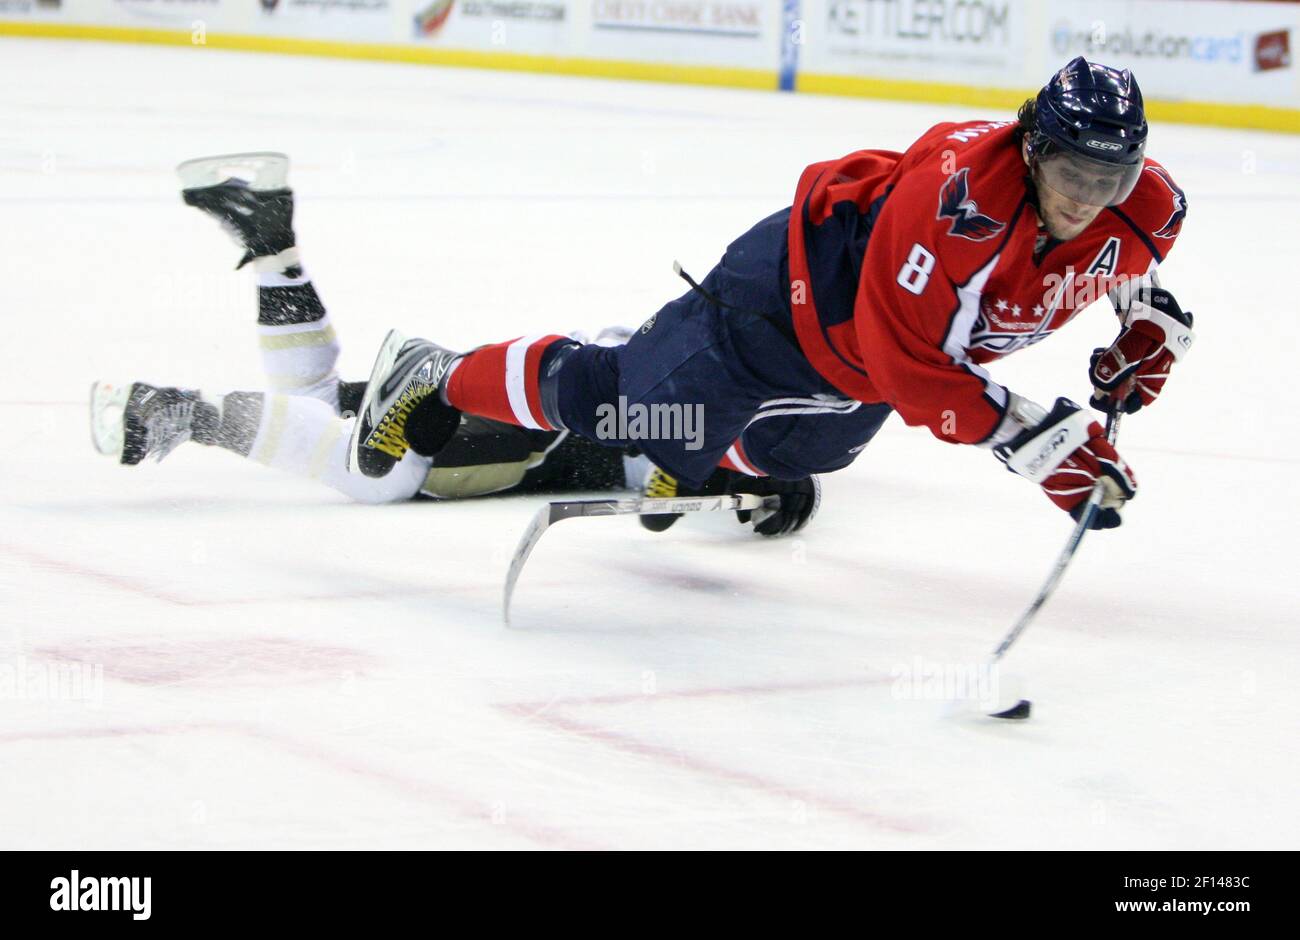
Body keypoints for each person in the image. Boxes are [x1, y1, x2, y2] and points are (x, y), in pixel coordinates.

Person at [298, 59, 1200, 535]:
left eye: (1109, 176)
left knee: (802, 452)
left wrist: (1146, 325)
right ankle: (440, 373)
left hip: (864, 365)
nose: (1088, 196)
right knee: (622, 407)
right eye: (1073, 170)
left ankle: (699, 437)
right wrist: (1030, 437)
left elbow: (1130, 269)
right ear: (1034, 146)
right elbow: (910, 363)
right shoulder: (955, 203)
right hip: (783, 303)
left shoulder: (1144, 206)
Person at [90, 153, 646, 503]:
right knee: (373, 474)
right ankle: (185, 411)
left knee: (315, 402)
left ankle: (273, 252)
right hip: (561, 431)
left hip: (536, 382)